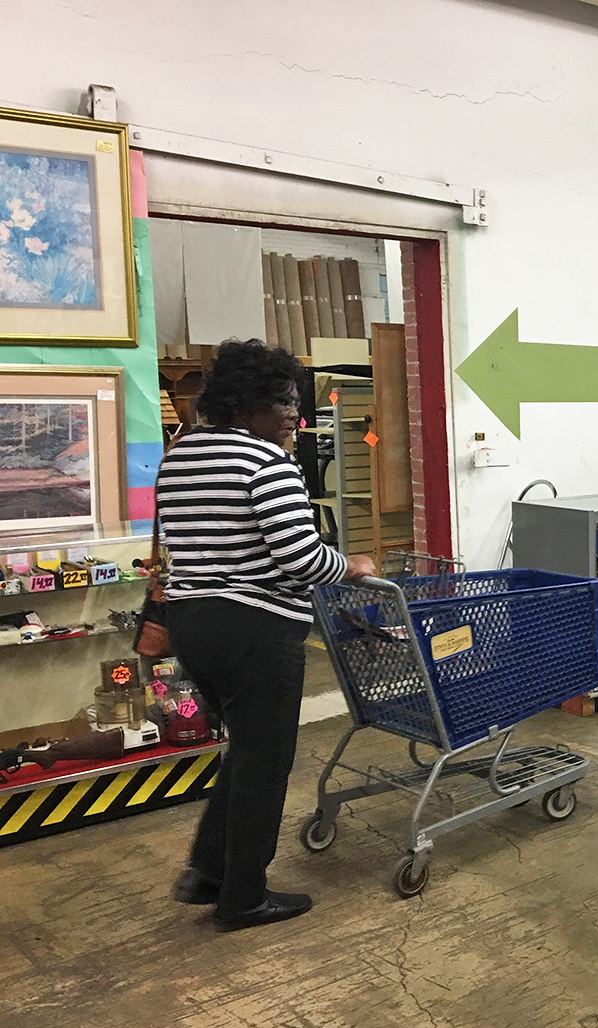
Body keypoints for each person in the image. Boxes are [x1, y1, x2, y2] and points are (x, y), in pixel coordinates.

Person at [156, 339, 376, 932]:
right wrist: (352, 565)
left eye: (293, 401)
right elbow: (299, 559)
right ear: (244, 403)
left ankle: (209, 871)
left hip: (193, 623)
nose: (292, 414)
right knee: (266, 760)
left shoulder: (179, 456)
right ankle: (245, 896)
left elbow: (188, 545)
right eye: (279, 401)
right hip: (255, 627)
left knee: (245, 750)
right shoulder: (264, 464)